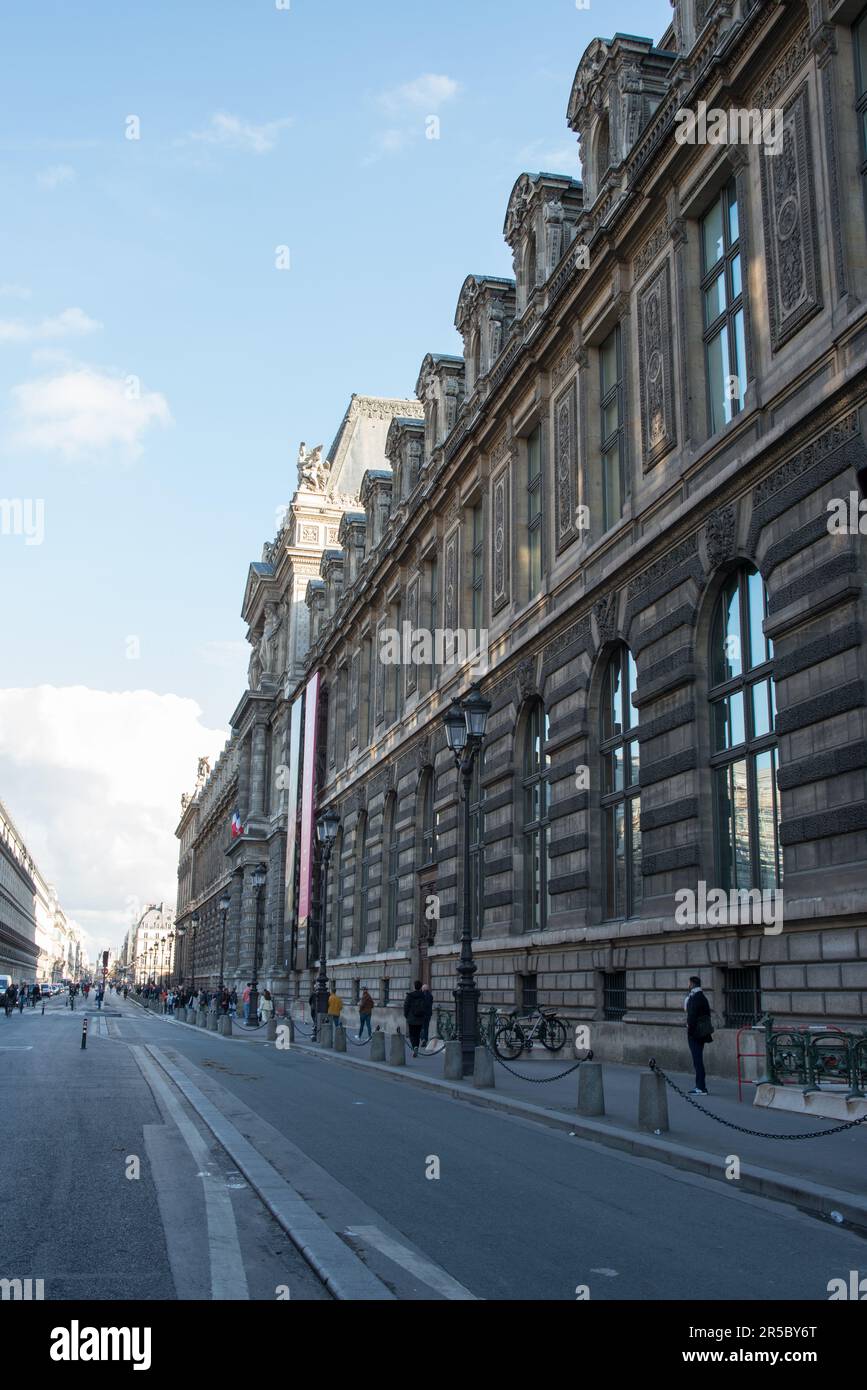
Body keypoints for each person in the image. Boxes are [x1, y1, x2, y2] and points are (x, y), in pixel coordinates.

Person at [685, 975, 712, 1095]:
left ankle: (701, 1087)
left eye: (689, 983)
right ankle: (700, 1086)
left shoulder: (695, 998)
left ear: (691, 984)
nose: (688, 985)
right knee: (698, 1060)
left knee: (697, 1061)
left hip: (695, 1034)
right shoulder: (702, 997)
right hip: (700, 1033)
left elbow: (692, 1016)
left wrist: (690, 1031)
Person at [404, 980, 428, 1057]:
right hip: (420, 1018)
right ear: (421, 987)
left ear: (414, 986)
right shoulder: (423, 996)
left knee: (412, 1034)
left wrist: (406, 1015)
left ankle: (414, 1046)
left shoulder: (410, 995)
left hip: (411, 1018)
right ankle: (416, 1046)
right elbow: (426, 1007)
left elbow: (406, 1006)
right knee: (417, 1034)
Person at [420, 982, 433, 1047]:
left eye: (422, 988)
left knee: (421, 1028)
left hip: (422, 1014)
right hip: (428, 1014)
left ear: (423, 989)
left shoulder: (421, 996)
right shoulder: (430, 996)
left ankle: (423, 1039)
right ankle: (426, 1039)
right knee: (426, 1027)